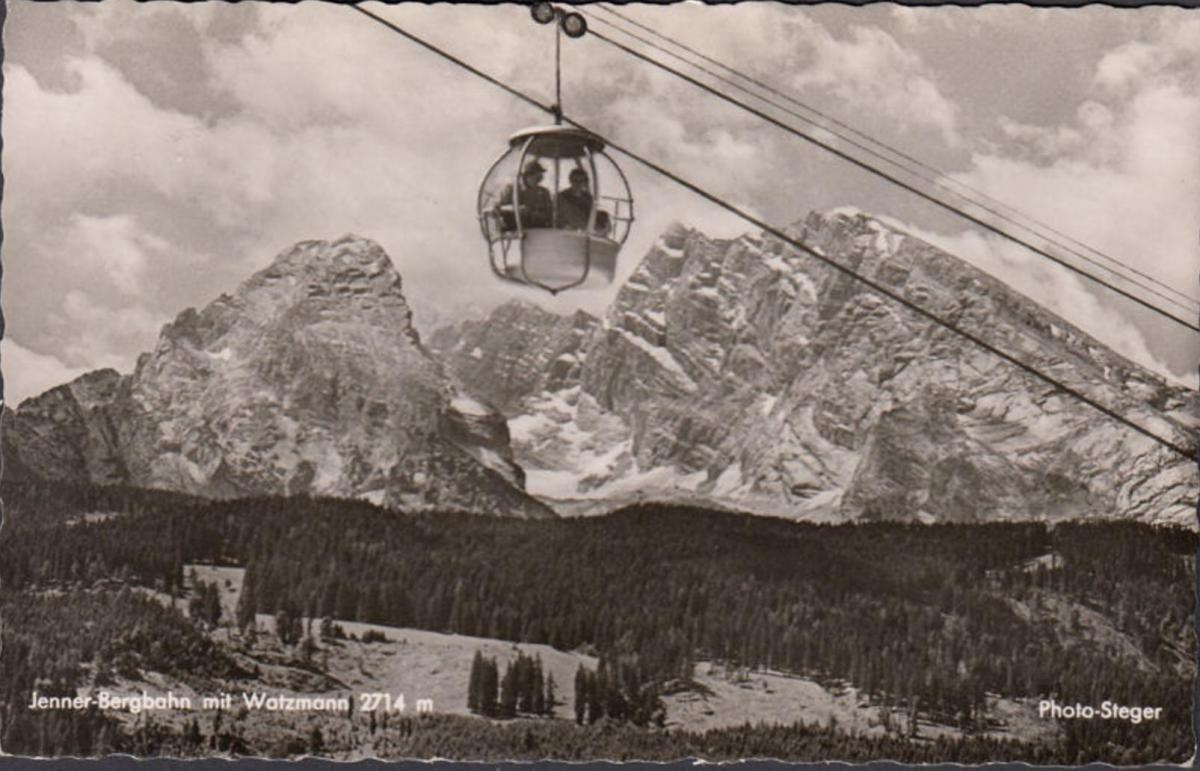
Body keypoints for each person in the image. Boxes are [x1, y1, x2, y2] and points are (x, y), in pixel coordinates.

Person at [496, 160, 553, 230]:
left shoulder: (543, 192)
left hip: (538, 230)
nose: (538, 182)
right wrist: (516, 209)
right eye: (536, 178)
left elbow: (550, 213)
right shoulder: (511, 190)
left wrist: (535, 214)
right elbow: (497, 209)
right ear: (526, 176)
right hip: (515, 230)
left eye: (540, 178)